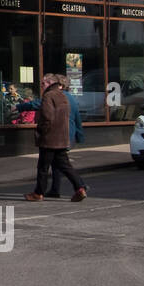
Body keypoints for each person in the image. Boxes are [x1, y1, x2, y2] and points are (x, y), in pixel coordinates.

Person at [26, 74, 88, 202]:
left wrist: (41, 131)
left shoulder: (48, 96)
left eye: (43, 84)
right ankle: (80, 188)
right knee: (65, 166)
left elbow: (47, 117)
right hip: (62, 138)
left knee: (43, 167)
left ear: (49, 83)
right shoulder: (63, 96)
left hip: (50, 139)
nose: (42, 86)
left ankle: (38, 193)